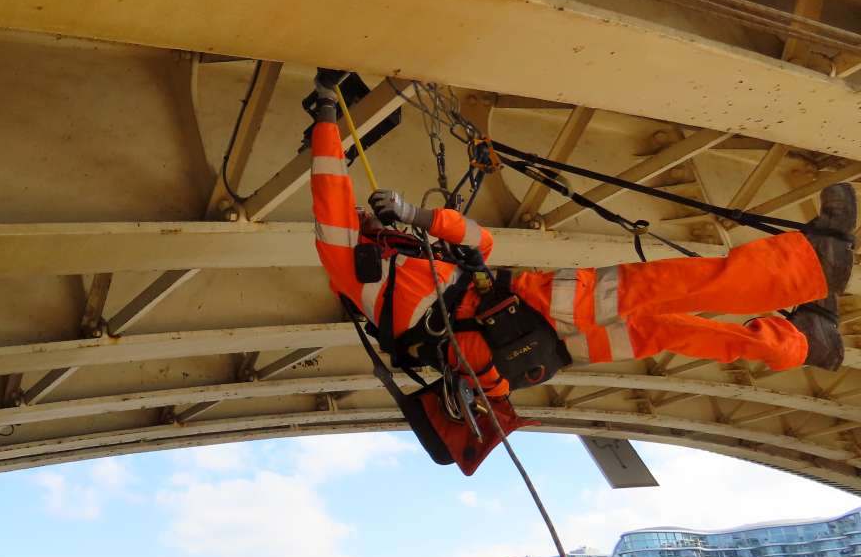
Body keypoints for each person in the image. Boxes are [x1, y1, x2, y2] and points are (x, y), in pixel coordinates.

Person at [308, 73, 857, 402]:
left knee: (669, 330)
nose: (365, 215)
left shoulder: (401, 265)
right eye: (362, 217)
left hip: (541, 348)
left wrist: (419, 216)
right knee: (661, 286)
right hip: (523, 314)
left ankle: (803, 344)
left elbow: (479, 242)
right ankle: (810, 265)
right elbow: (330, 191)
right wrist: (328, 112)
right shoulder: (352, 262)